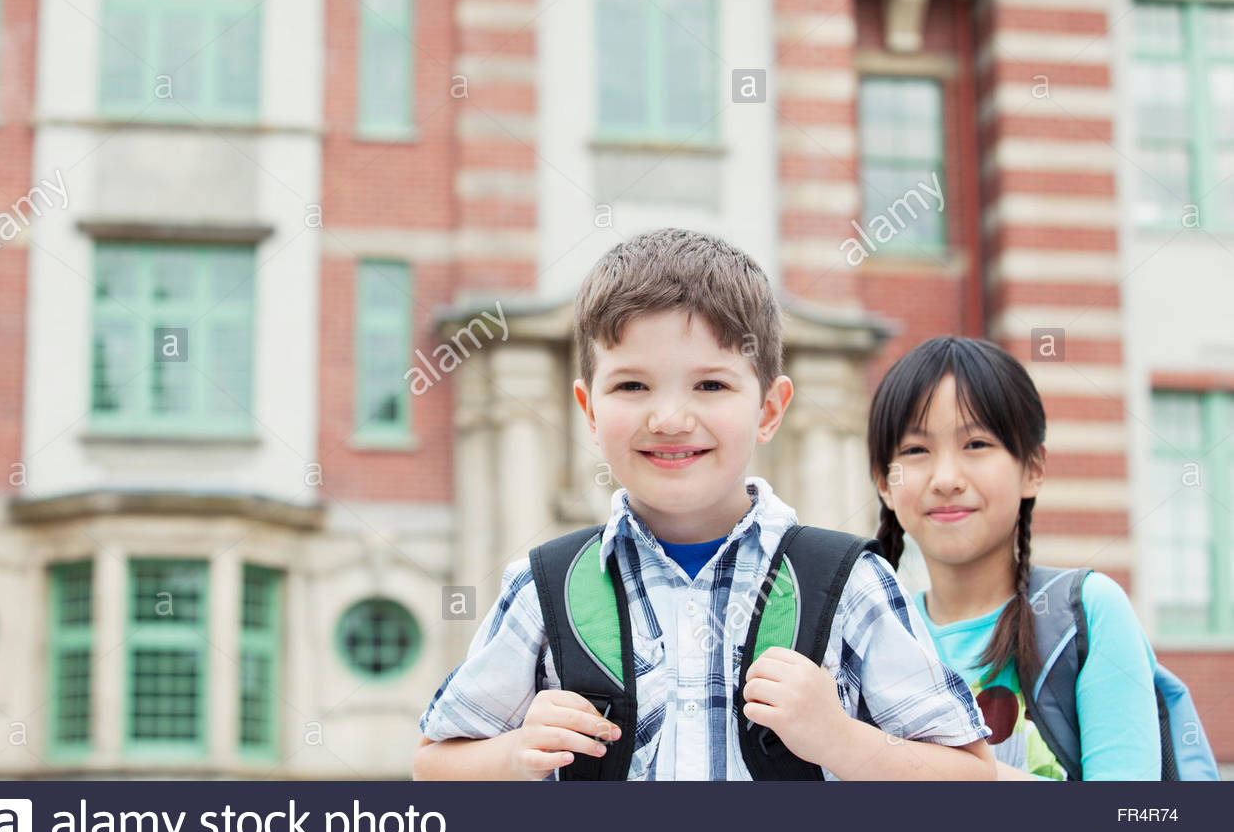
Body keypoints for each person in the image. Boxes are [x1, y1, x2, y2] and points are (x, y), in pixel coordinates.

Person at [413, 228, 994, 780]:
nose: (669, 419)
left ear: (769, 410)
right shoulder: (546, 586)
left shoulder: (848, 583)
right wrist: (516, 752)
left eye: (711, 385)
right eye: (632, 386)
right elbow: (434, 764)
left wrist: (840, 738)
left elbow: (970, 774)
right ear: (589, 411)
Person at [867, 335, 1161, 779]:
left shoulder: (1087, 615)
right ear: (884, 481)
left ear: (1033, 469)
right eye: (915, 451)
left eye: (977, 444)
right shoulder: (869, 635)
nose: (946, 479)